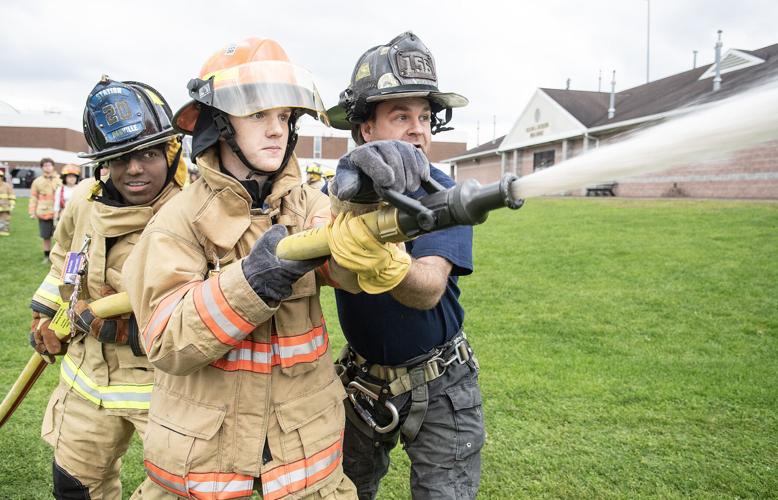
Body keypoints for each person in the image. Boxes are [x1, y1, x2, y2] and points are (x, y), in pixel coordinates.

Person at [122, 37, 421, 500]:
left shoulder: (309, 207)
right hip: (204, 475)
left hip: (306, 469)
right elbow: (165, 340)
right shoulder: (177, 221)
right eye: (258, 114)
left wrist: (364, 206)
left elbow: (349, 263)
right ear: (220, 123)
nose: (277, 130)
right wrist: (251, 282)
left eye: (283, 116)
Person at [326, 31, 483, 499]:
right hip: (360, 383)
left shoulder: (444, 196)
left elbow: (428, 287)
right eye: (401, 116)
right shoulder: (333, 198)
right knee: (342, 492)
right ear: (366, 130)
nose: (420, 129)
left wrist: (383, 262)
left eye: (426, 117)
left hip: (442, 385)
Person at [28, 76, 187, 499]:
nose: (133, 169)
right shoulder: (84, 200)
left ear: (172, 152)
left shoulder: (197, 213)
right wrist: (45, 312)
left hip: (171, 386)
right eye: (119, 158)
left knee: (183, 488)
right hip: (86, 376)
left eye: (148, 154)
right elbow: (64, 256)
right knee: (75, 485)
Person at [29, 157, 61, 263]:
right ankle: (46, 256)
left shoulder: (60, 179)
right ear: (42, 167)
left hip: (59, 213)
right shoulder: (37, 181)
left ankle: (58, 257)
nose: (48, 167)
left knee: (60, 237)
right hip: (44, 213)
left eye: (49, 165)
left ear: (53, 166)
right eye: (45, 165)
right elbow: (33, 197)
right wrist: (32, 212)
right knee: (46, 236)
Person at [0, 164, 16, 236]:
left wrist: (12, 204)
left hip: (4, 207)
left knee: (5, 220)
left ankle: (4, 231)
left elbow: (12, 195)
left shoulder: (7, 186)